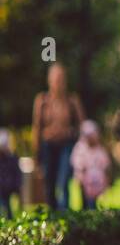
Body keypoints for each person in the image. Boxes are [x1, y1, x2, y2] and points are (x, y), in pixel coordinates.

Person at [32, 63, 85, 211]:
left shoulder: (72, 100)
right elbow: (36, 128)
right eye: (56, 79)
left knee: (63, 182)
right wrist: (36, 154)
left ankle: (64, 215)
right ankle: (53, 215)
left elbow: (83, 126)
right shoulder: (42, 100)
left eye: (61, 78)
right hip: (48, 146)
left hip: (66, 146)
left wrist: (71, 132)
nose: (58, 82)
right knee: (49, 183)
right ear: (49, 80)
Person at [71, 121, 112, 210]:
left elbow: (105, 165)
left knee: (95, 201)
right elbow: (78, 164)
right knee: (86, 201)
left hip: (97, 182)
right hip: (85, 182)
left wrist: (106, 178)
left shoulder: (100, 149)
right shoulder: (80, 149)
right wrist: (80, 177)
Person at [0, 129, 21, 219]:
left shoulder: (12, 158)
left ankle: (9, 220)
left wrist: (17, 188)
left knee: (7, 208)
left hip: (8, 188)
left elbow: (17, 174)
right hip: (1, 188)